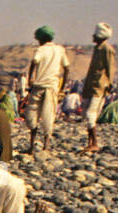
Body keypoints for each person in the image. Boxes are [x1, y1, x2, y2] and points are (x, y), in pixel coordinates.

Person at [25, 25, 69, 153]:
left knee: (32, 114)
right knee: (49, 114)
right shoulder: (60, 50)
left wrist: (30, 79)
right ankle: (46, 145)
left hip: (39, 85)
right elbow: (66, 68)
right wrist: (62, 87)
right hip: (52, 86)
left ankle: (32, 145)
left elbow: (34, 62)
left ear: (41, 38)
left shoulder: (41, 49)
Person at [80, 24, 116, 153]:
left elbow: (110, 68)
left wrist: (109, 85)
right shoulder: (97, 49)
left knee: (91, 114)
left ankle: (94, 142)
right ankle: (90, 142)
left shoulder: (107, 49)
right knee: (87, 114)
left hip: (99, 87)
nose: (92, 36)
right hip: (91, 85)